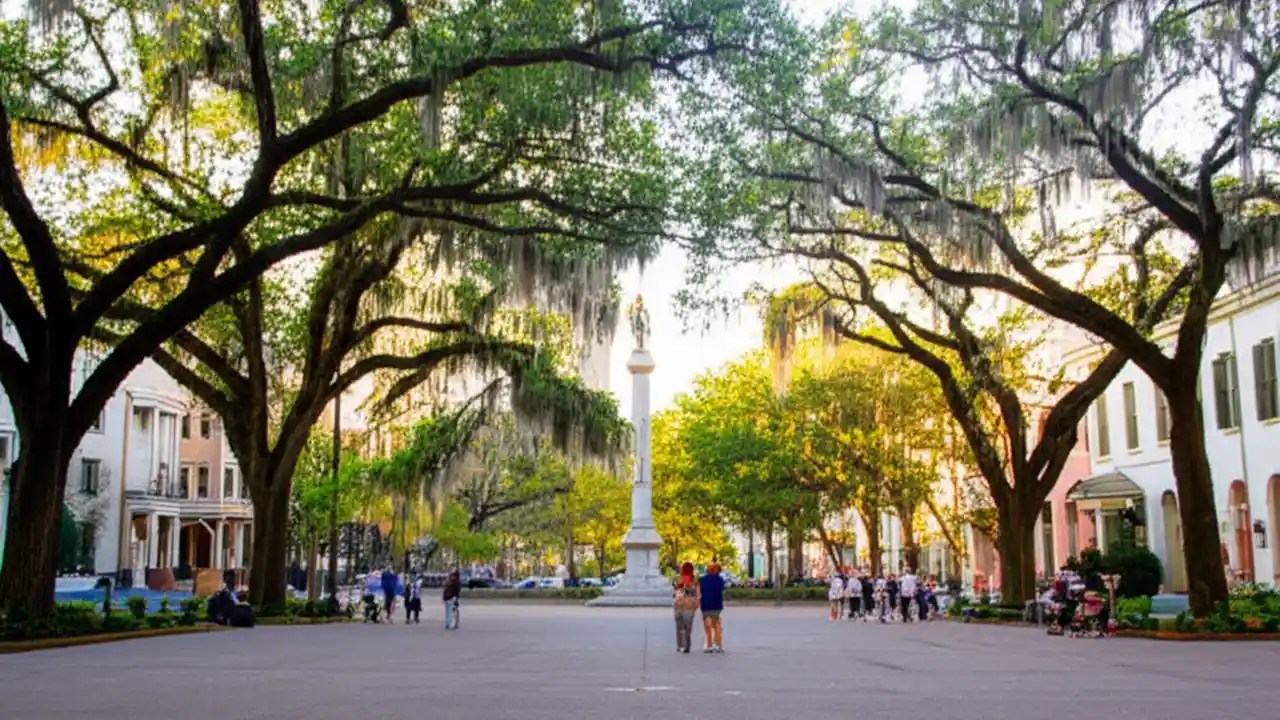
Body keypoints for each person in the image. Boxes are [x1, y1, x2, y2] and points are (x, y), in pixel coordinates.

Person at [673, 562, 700, 654]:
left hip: (679, 605)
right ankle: (687, 645)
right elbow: (698, 595)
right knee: (687, 628)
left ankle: (680, 645)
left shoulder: (679, 580)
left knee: (679, 627)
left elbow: (675, 593)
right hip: (689, 607)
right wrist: (695, 605)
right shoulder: (695, 582)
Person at [699, 563, 726, 653]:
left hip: (706, 606)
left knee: (708, 626)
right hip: (716, 606)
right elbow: (722, 591)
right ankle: (718, 645)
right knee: (717, 625)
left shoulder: (702, 580)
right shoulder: (720, 580)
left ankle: (709, 645)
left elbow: (700, 592)